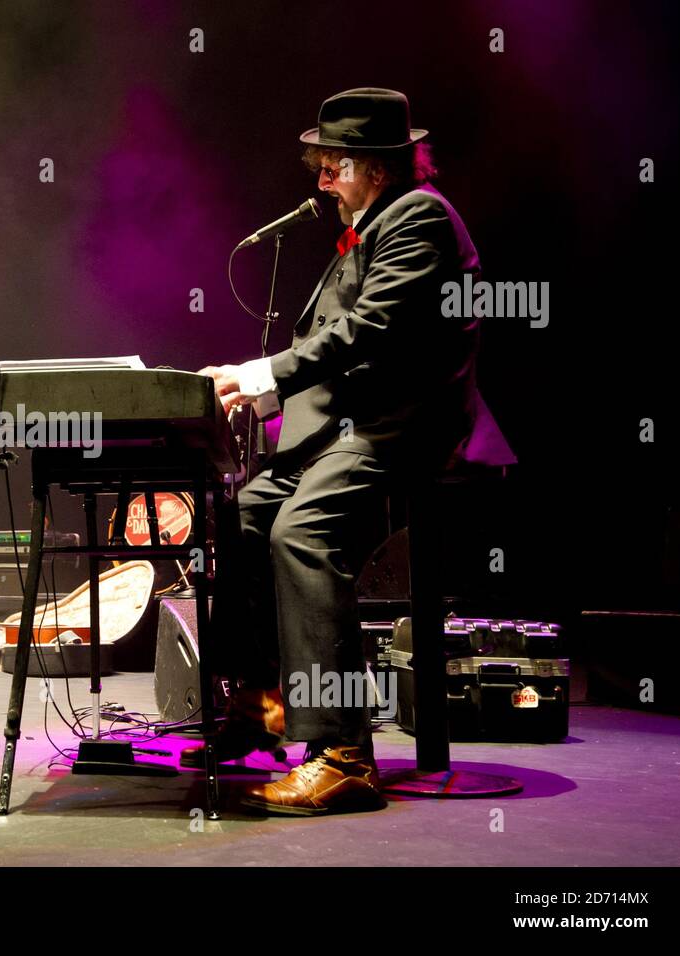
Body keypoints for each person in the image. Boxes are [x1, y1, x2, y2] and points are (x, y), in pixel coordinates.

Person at [195, 88, 502, 814]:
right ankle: (265, 705)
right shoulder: (371, 231)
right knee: (241, 517)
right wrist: (254, 392)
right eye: (322, 168)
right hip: (349, 427)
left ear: (378, 168)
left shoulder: (418, 219)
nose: (322, 182)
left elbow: (369, 333)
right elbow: (327, 349)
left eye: (334, 167)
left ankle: (343, 754)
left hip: (404, 428)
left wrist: (258, 374)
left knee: (306, 532)